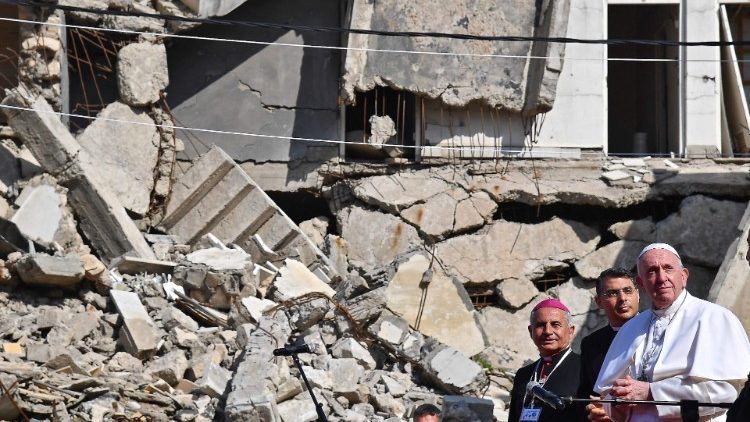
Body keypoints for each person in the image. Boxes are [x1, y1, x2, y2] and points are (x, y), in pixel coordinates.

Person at [588, 243, 750, 421]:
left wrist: (652, 392)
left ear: (684, 276)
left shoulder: (715, 318)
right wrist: (615, 404)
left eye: (668, 268)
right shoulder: (630, 328)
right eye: (651, 271)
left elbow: (727, 394)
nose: (661, 278)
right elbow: (608, 394)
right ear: (641, 284)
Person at [509, 298, 581, 422]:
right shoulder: (523, 374)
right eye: (540, 325)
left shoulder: (585, 368)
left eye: (555, 324)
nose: (547, 331)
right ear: (531, 331)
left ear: (570, 331)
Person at [578, 267, 640, 400]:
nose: (622, 298)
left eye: (628, 291)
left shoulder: (656, 331)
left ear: (638, 294)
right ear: (599, 302)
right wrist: (593, 407)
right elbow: (586, 393)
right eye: (613, 293)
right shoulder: (591, 344)